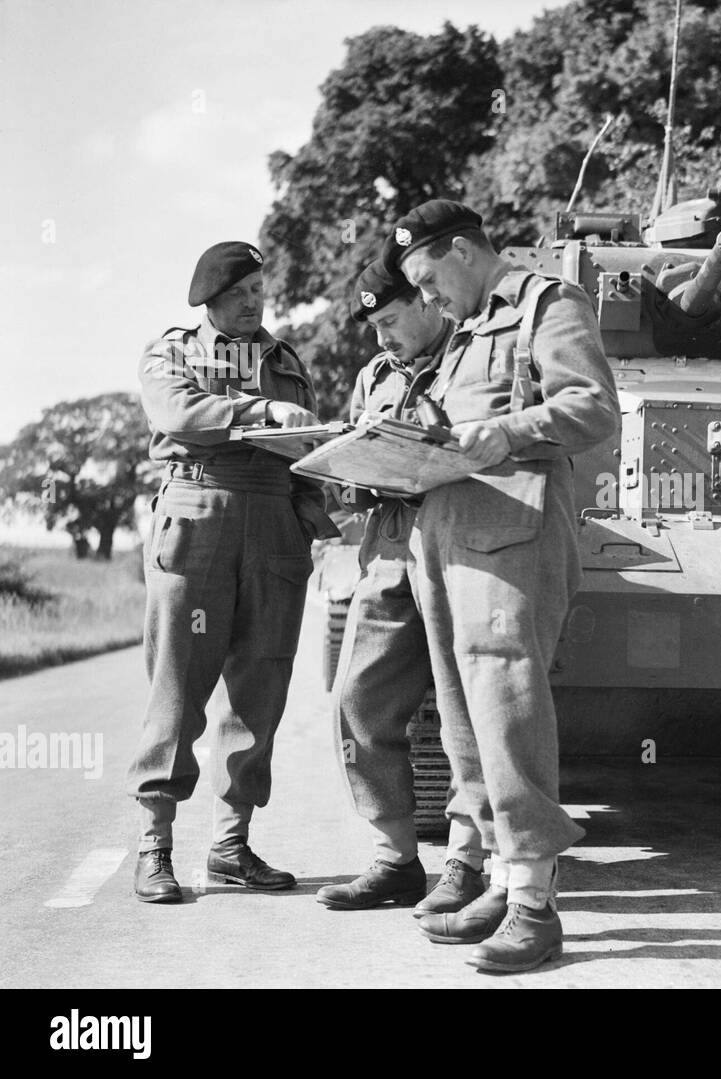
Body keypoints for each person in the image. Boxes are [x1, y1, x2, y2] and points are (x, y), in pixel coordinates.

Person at [383, 199, 619, 972]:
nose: (427, 300)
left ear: (460, 251)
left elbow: (591, 407)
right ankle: (498, 874)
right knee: (463, 723)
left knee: (508, 711)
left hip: (512, 538)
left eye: (427, 280)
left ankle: (535, 906)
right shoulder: (462, 332)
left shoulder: (546, 305)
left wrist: (510, 431)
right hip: (445, 539)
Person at [128, 241, 339, 903]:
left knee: (260, 688)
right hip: (199, 513)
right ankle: (154, 845)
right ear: (209, 296)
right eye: (244, 291)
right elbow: (178, 414)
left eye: (260, 289)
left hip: (276, 524)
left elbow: (307, 449)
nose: (257, 301)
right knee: (178, 688)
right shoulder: (174, 351)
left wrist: (318, 517)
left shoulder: (286, 359)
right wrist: (261, 412)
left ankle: (230, 844)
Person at [315, 259, 479, 911]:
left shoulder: (472, 355)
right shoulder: (375, 377)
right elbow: (361, 460)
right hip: (387, 548)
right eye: (373, 327)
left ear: (426, 302)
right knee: (358, 697)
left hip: (460, 545)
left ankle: (467, 858)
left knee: (466, 708)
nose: (381, 338)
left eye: (389, 321)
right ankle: (396, 856)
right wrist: (347, 471)